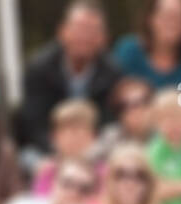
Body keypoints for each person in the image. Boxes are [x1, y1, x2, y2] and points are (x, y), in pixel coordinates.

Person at [17, 2, 120, 154]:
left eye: (92, 31)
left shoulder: (112, 73)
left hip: (96, 151)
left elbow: (109, 123)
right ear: (62, 32)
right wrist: (58, 151)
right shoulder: (39, 69)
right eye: (79, 29)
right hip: (46, 149)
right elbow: (34, 123)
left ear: (103, 38)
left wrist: (91, 151)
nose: (85, 37)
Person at [112, 0, 181, 131]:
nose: (172, 23)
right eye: (166, 16)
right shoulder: (130, 53)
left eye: (179, 18)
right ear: (150, 19)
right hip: (135, 135)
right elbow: (116, 103)